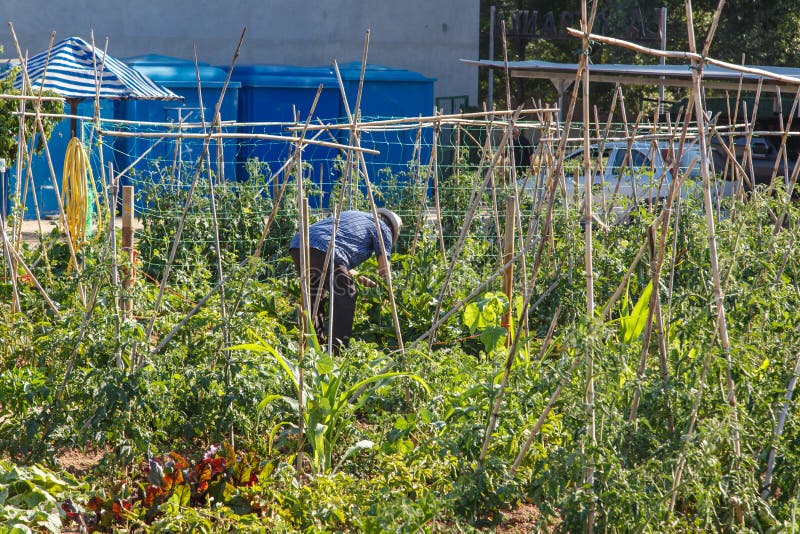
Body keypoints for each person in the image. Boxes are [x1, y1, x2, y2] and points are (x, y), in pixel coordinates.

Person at [289, 208, 402, 354]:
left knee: (314, 296)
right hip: (326, 249)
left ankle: (312, 348)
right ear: (392, 229)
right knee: (347, 294)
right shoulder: (383, 228)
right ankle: (337, 351)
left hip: (300, 245)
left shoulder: (357, 215)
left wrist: (364, 280)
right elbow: (384, 271)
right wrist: (387, 292)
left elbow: (340, 264)